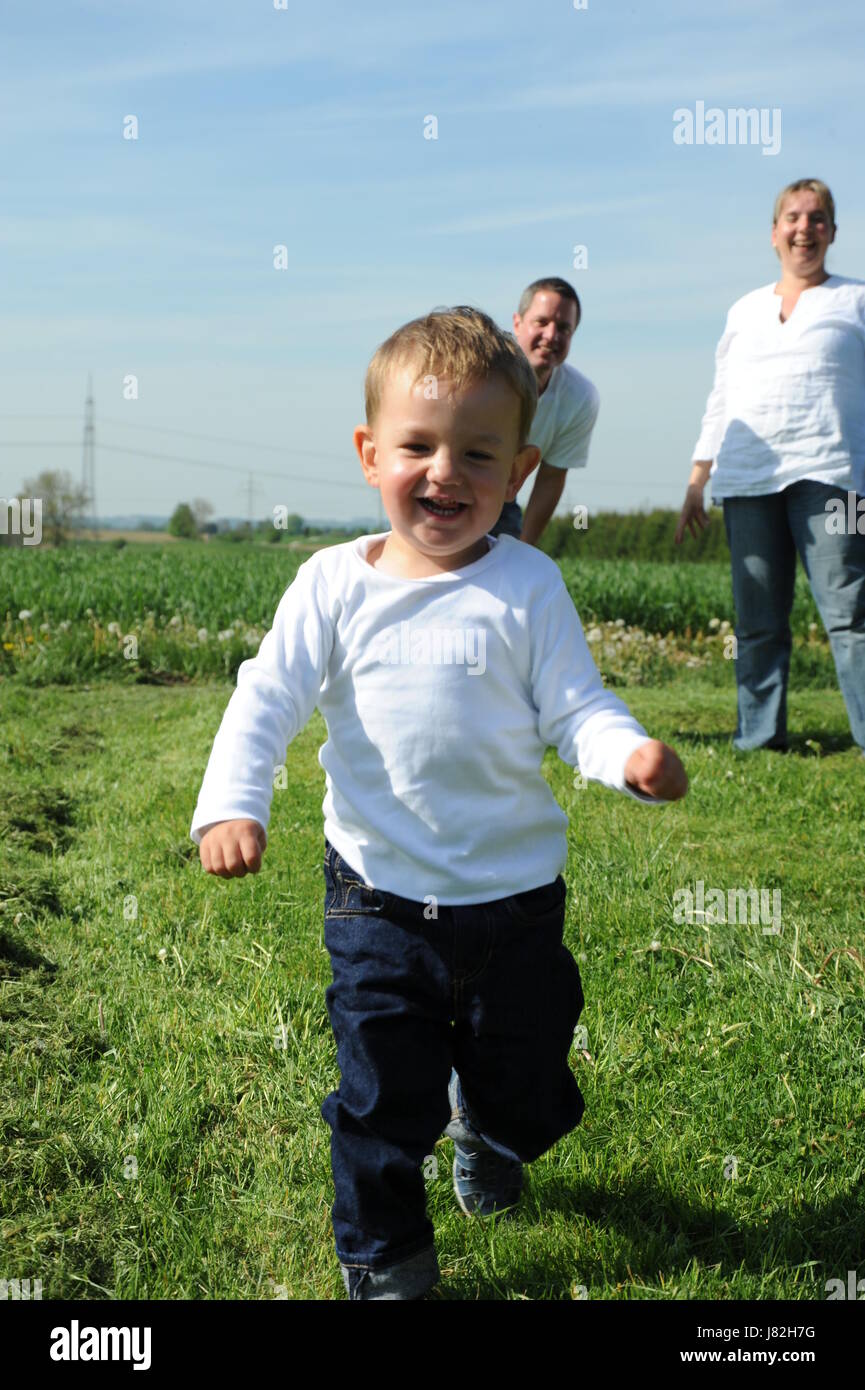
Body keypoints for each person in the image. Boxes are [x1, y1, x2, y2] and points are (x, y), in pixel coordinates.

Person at [190, 306, 688, 1301]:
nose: (444, 472)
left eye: (477, 451)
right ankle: (383, 1259)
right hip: (375, 898)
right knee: (382, 1093)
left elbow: (575, 705)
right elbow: (266, 698)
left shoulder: (527, 586)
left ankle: (495, 1132)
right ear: (371, 453)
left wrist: (625, 752)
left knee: (525, 1074)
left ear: (517, 470)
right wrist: (231, 805)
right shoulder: (331, 584)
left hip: (512, 901)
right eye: (417, 446)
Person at [675, 179, 865, 753]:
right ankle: (758, 737)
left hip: (833, 475)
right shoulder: (744, 309)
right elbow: (722, 396)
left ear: (831, 231)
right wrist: (697, 477)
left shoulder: (856, 300)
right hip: (748, 477)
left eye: (816, 218)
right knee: (757, 619)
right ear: (774, 232)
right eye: (792, 217)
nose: (804, 228)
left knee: (850, 613)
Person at [491, 276, 600, 544]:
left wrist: (525, 549)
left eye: (564, 328)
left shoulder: (580, 398)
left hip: (502, 495)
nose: (551, 336)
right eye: (542, 322)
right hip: (451, 484)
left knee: (509, 575)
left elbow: (551, 477)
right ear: (517, 324)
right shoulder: (483, 374)